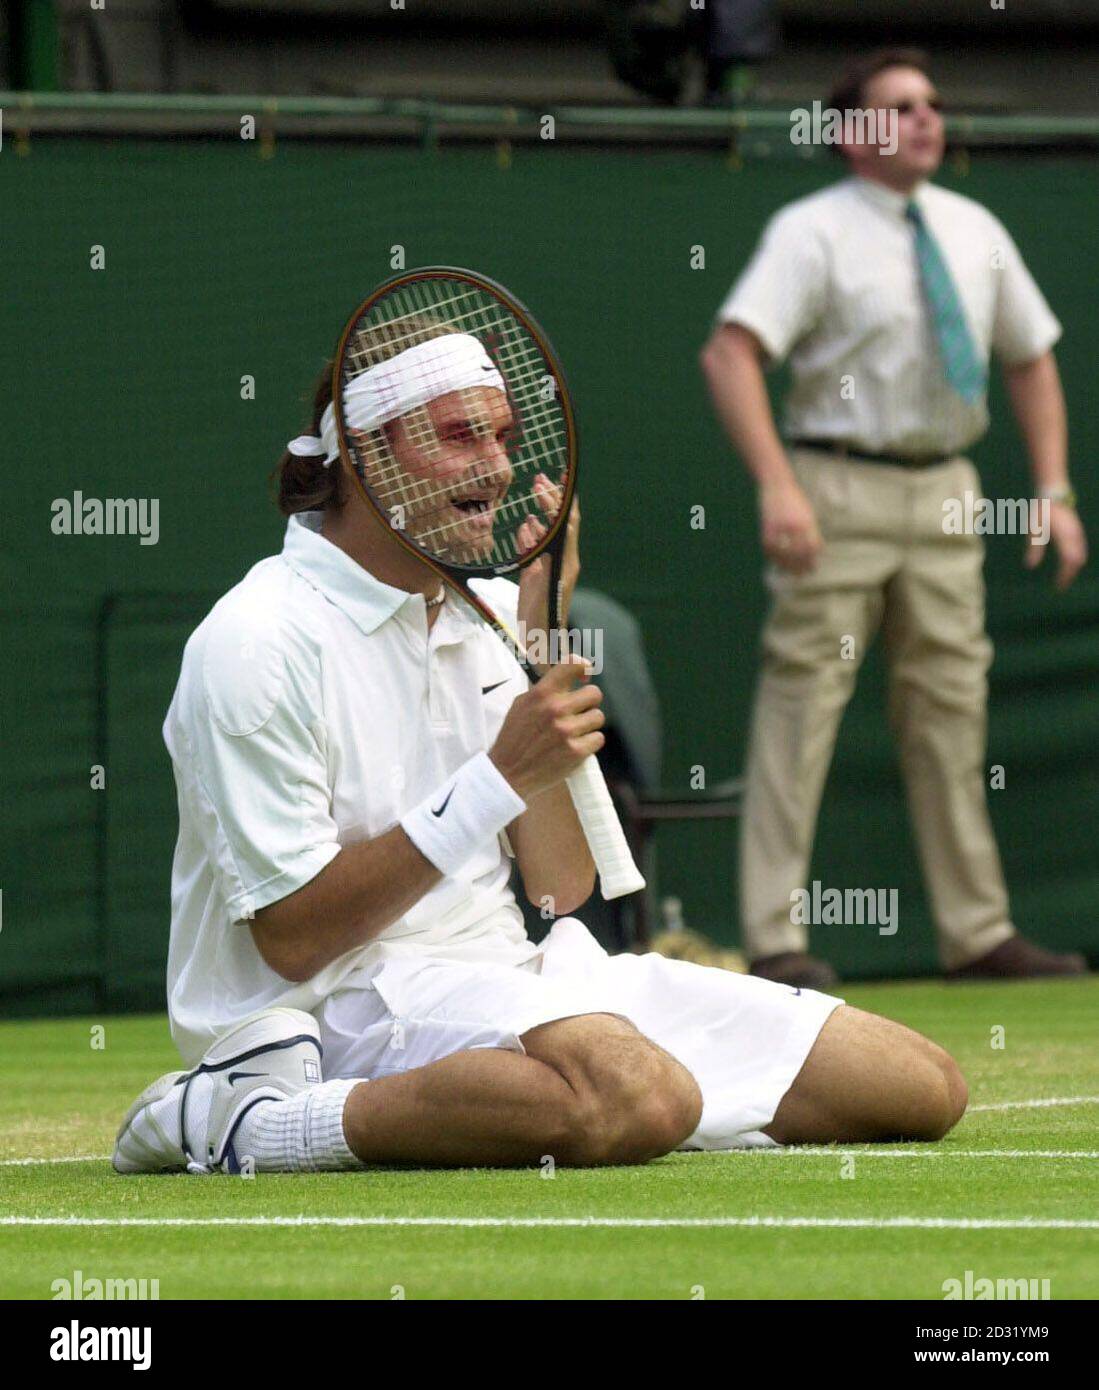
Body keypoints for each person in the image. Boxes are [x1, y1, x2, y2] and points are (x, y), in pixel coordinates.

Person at [114, 322, 966, 1178]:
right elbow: (293, 941)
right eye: (459, 435)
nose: (496, 466)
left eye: (502, 437)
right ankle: (249, 1122)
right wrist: (497, 778)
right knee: (635, 1096)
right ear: (367, 458)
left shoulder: (485, 618)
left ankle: (553, 1091)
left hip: (506, 975)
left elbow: (561, 888)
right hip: (329, 1008)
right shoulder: (256, 640)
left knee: (917, 1089)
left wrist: (537, 643)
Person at [701, 49, 1088, 991]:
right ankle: (775, 936)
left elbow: (1029, 359)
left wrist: (1053, 489)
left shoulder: (973, 227)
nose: (924, 119)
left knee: (952, 712)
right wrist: (776, 485)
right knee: (803, 708)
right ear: (849, 135)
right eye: (898, 107)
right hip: (835, 487)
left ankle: (977, 933)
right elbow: (730, 352)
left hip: (947, 491)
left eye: (932, 103)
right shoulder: (811, 232)